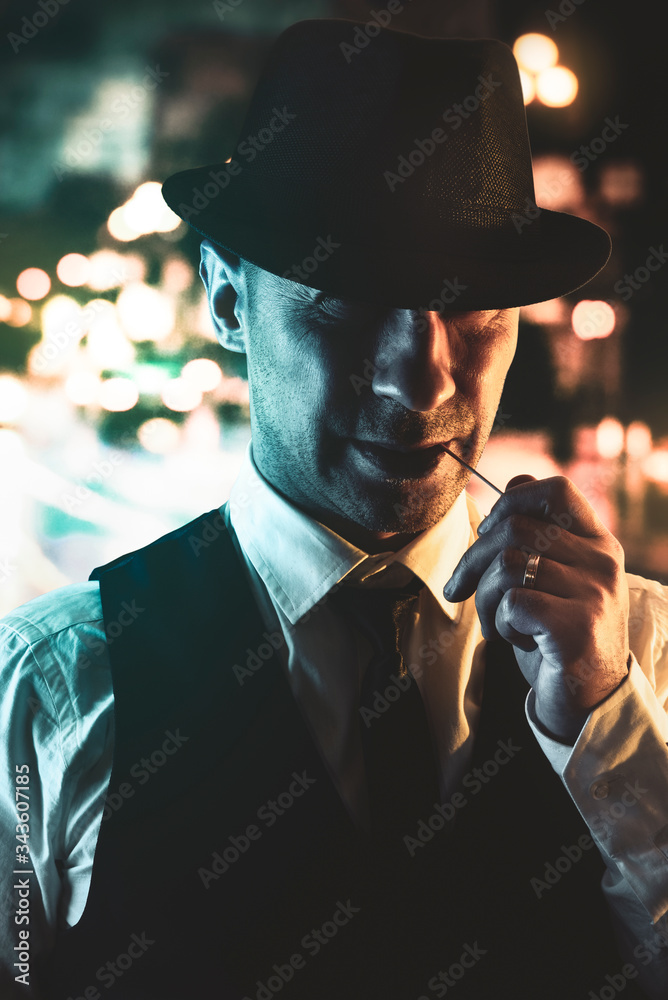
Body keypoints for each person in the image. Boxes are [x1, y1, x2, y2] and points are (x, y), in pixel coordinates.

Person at [1, 17, 667, 1000]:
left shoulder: (643, 657)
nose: (420, 375)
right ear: (227, 303)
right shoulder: (44, 696)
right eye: (346, 299)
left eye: (473, 306)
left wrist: (608, 733)